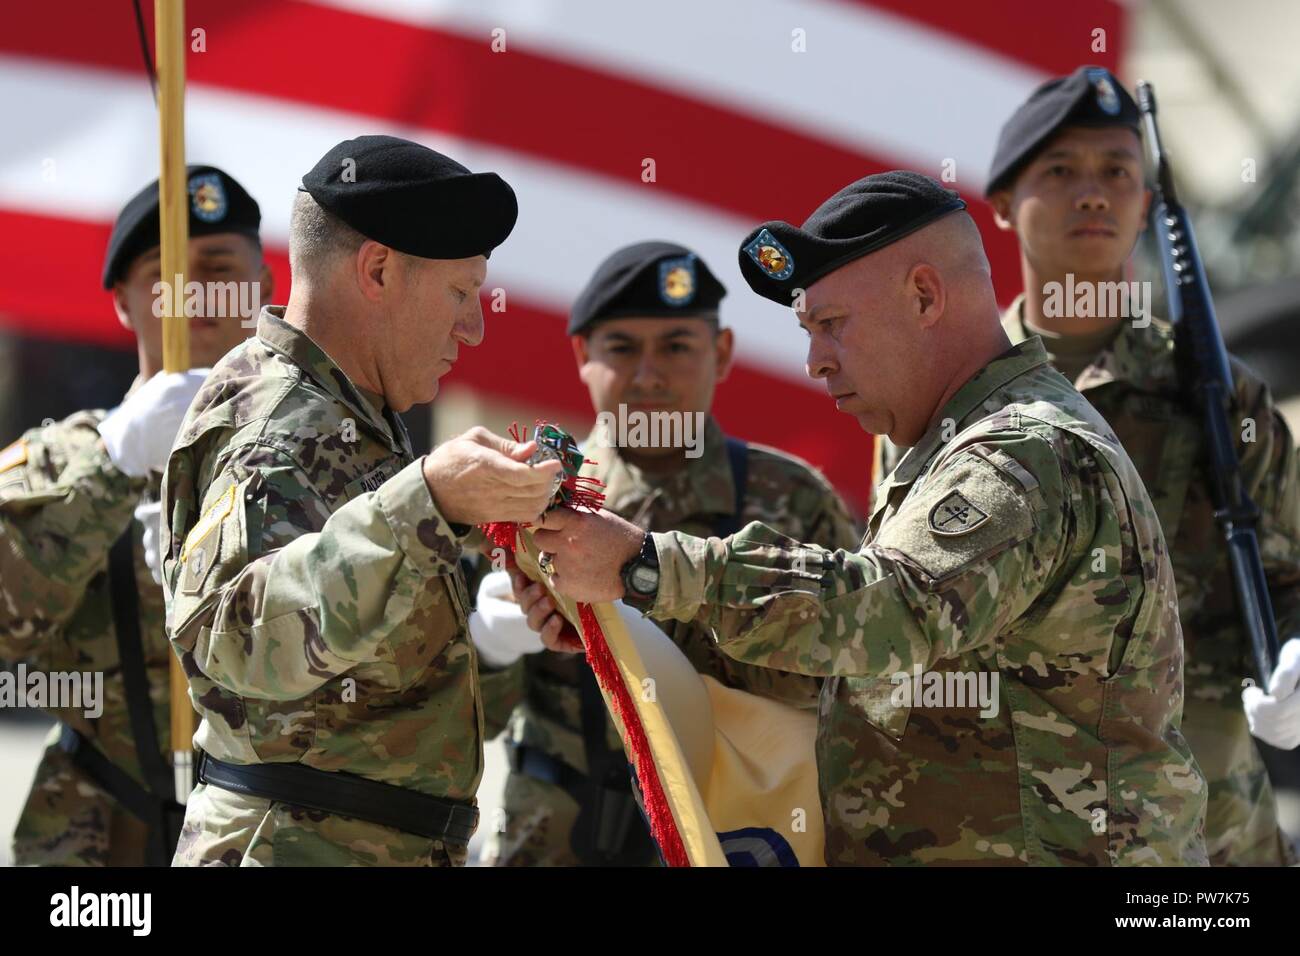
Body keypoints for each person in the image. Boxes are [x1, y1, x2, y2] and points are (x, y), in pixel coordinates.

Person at [528, 171, 1209, 865]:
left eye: (830, 326)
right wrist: (618, 619)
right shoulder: (938, 442)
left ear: (923, 296)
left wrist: (648, 566)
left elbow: (890, 609)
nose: (815, 361)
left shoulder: (1023, 450)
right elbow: (845, 669)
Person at [159, 135, 562, 866]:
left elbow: (373, 682)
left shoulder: (347, 417)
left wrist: (494, 630)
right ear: (377, 269)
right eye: (460, 294)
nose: (473, 328)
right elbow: (235, 642)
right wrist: (427, 500)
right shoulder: (277, 427)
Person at [983, 65, 1300, 865]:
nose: (1094, 193)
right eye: (1061, 171)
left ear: (1147, 203)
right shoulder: (953, 398)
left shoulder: (1225, 400)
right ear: (1000, 204)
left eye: (1119, 171)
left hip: (1211, 842)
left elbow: (1293, 573)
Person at [475, 241, 859, 866]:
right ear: (582, 355)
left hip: (739, 841)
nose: (649, 374)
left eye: (676, 347)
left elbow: (854, 695)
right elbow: (464, 726)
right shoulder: (527, 497)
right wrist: (490, 647)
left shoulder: (791, 500)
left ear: (723, 352)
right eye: (623, 348)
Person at [0, 166, 270, 865]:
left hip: (271, 838)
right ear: (122, 301)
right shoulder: (59, 464)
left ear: (265, 291)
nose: (194, 290)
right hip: (101, 841)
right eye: (165, 271)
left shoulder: (328, 458)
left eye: (219, 267)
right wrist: (113, 468)